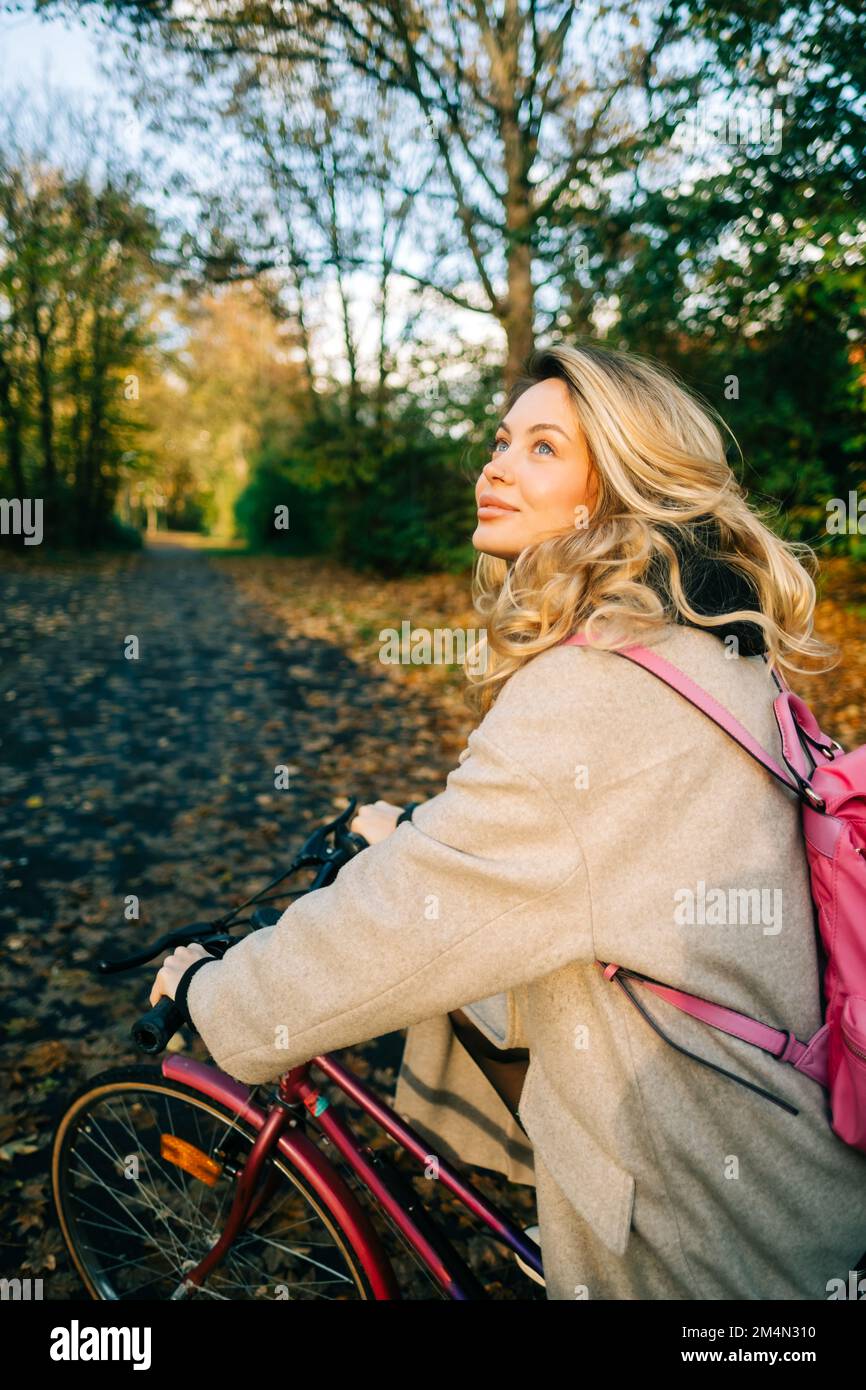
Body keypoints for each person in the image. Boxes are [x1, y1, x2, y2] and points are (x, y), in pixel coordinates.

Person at [150, 342, 866, 1300]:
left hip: (702, 1226)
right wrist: (418, 830)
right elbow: (599, 846)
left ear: (619, 488)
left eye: (542, 448)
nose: (495, 465)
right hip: (793, 1155)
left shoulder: (592, 690)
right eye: (501, 440)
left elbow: (406, 921)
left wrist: (215, 996)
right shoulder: (707, 642)